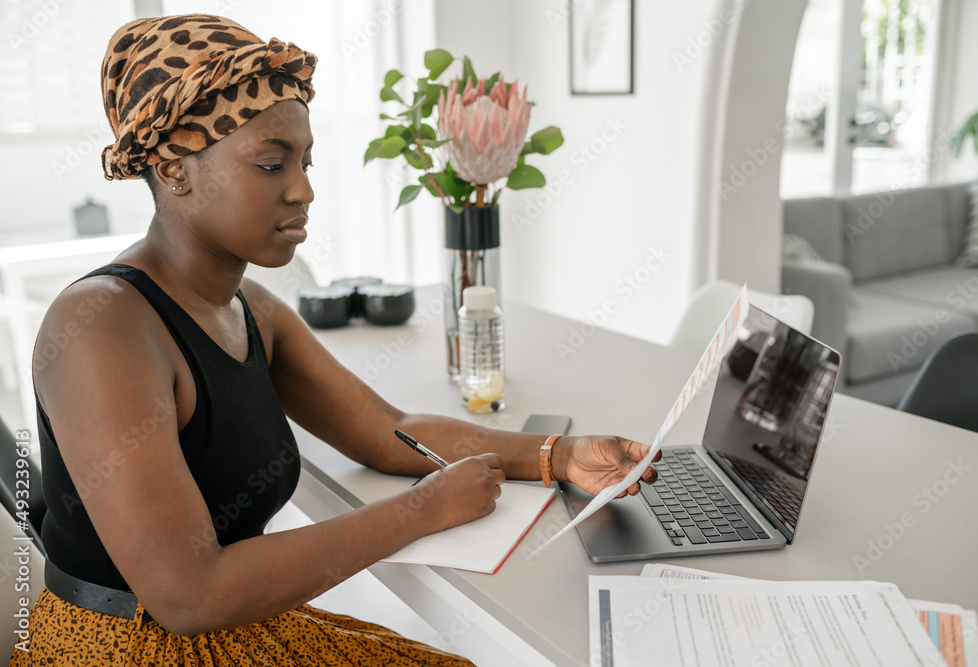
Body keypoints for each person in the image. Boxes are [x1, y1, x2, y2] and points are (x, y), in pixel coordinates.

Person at [10, 14, 658, 667]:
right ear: (174, 168)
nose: (304, 190)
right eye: (271, 163)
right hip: (128, 648)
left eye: (305, 160)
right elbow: (189, 595)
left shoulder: (252, 309)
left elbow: (388, 428)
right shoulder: (100, 325)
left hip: (229, 628)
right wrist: (420, 511)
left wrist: (559, 454)